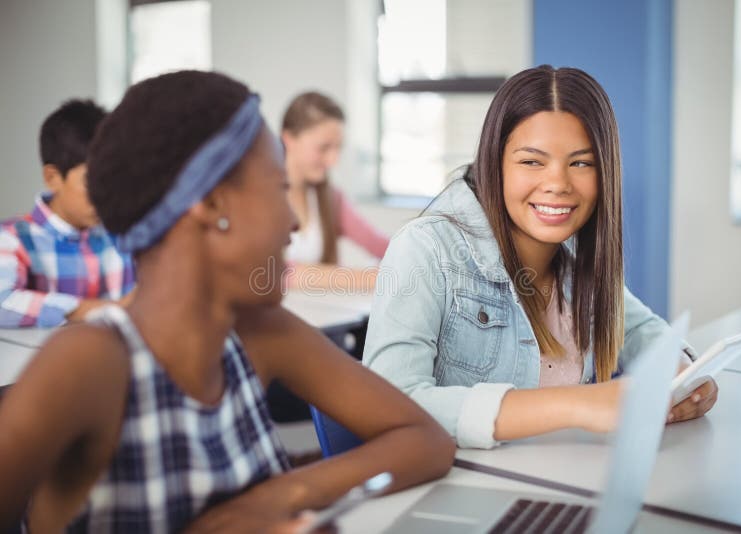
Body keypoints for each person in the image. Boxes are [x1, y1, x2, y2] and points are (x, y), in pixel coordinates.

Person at [0, 71, 454, 532]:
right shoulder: (87, 364)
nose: (293, 224)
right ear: (213, 205)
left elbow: (426, 439)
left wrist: (279, 496)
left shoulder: (264, 331)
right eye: (279, 190)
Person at [362, 65, 718, 450]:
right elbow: (389, 406)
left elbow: (637, 329)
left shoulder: (577, 253)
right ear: (494, 164)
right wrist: (576, 405)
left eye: (581, 163)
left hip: (565, 482)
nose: (558, 184)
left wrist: (686, 374)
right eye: (532, 161)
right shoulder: (426, 249)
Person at [0, 99, 135, 327]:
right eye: (91, 181)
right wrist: (99, 309)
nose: (105, 193)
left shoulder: (124, 235)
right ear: (53, 178)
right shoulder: (12, 239)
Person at [281, 92, 389, 292]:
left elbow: (381, 245)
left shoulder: (330, 199)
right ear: (289, 139)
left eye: (338, 148)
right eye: (323, 148)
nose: (334, 160)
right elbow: (273, 273)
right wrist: (372, 278)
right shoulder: (259, 199)